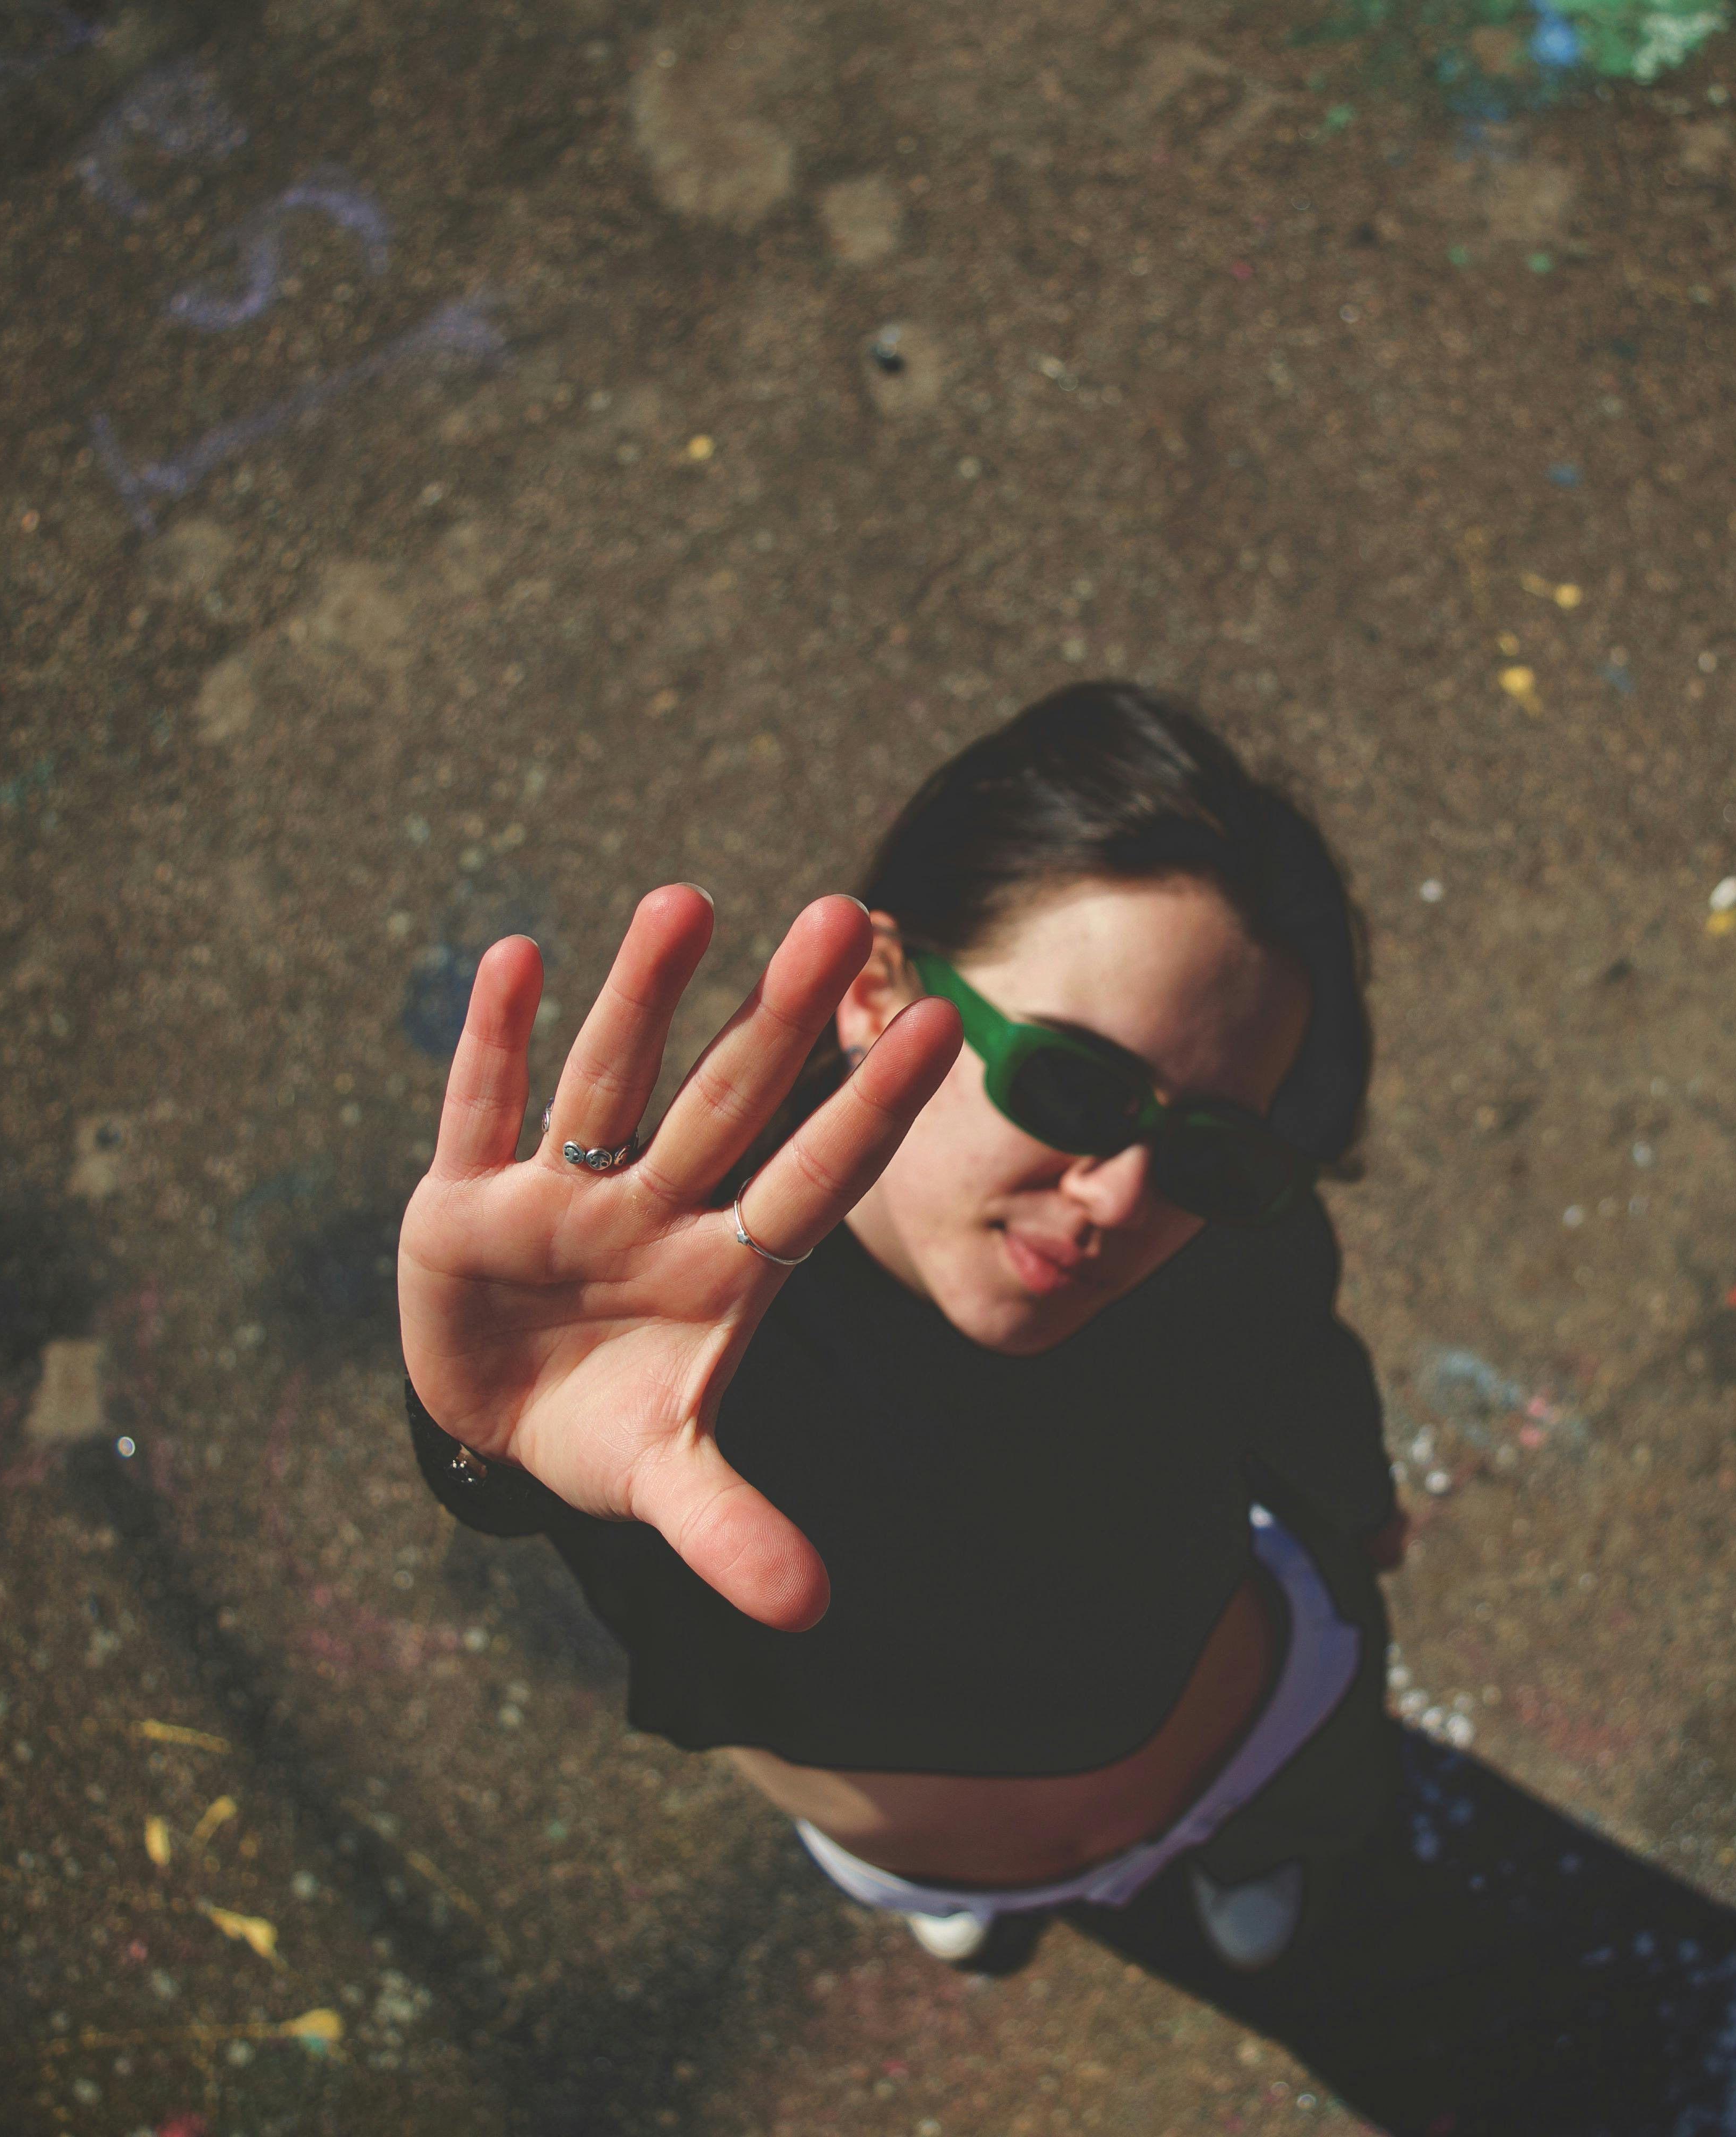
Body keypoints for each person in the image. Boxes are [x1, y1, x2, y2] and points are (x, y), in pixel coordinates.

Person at [395, 682, 1409, 1977]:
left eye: (1218, 1153)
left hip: (1258, 1743)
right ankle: (1012, 1892)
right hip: (911, 1845)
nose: (1123, 1197)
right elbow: (536, 1458)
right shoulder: (659, 1290)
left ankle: (1246, 1848)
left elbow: (1303, 1376)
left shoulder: (1236, 1249)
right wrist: (477, 1439)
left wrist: (1360, 1503)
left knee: (1305, 1826)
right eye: (1073, 1083)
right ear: (875, 988)